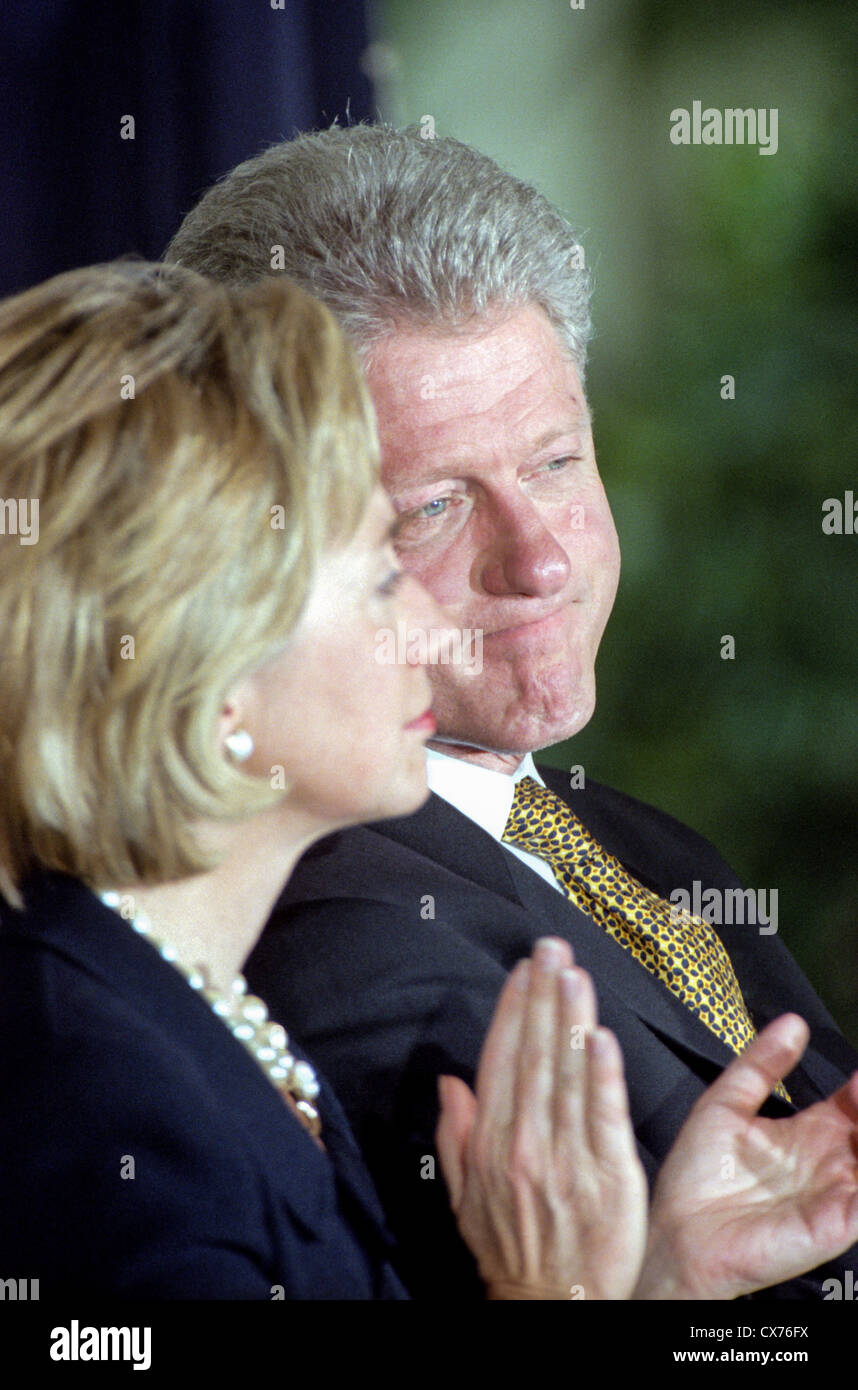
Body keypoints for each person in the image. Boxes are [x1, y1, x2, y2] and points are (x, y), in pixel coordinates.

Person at [165, 123, 858, 1299]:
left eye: (554, 461)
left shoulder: (633, 841)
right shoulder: (340, 944)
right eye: (434, 506)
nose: (540, 561)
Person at [0, 260, 650, 1300]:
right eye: (383, 574)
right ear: (205, 674)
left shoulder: (166, 1008)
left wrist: (673, 1279)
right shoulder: (97, 1111)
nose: (433, 628)